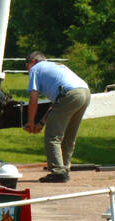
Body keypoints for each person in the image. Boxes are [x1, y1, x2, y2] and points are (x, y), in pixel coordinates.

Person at [24, 51, 91, 183]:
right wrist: (41, 123)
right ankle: (64, 169)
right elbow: (56, 104)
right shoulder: (55, 67)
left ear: (32, 61)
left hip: (70, 94)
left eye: (26, 66)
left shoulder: (36, 69)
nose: (27, 70)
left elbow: (33, 99)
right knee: (69, 135)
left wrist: (30, 122)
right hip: (85, 92)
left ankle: (57, 171)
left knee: (52, 136)